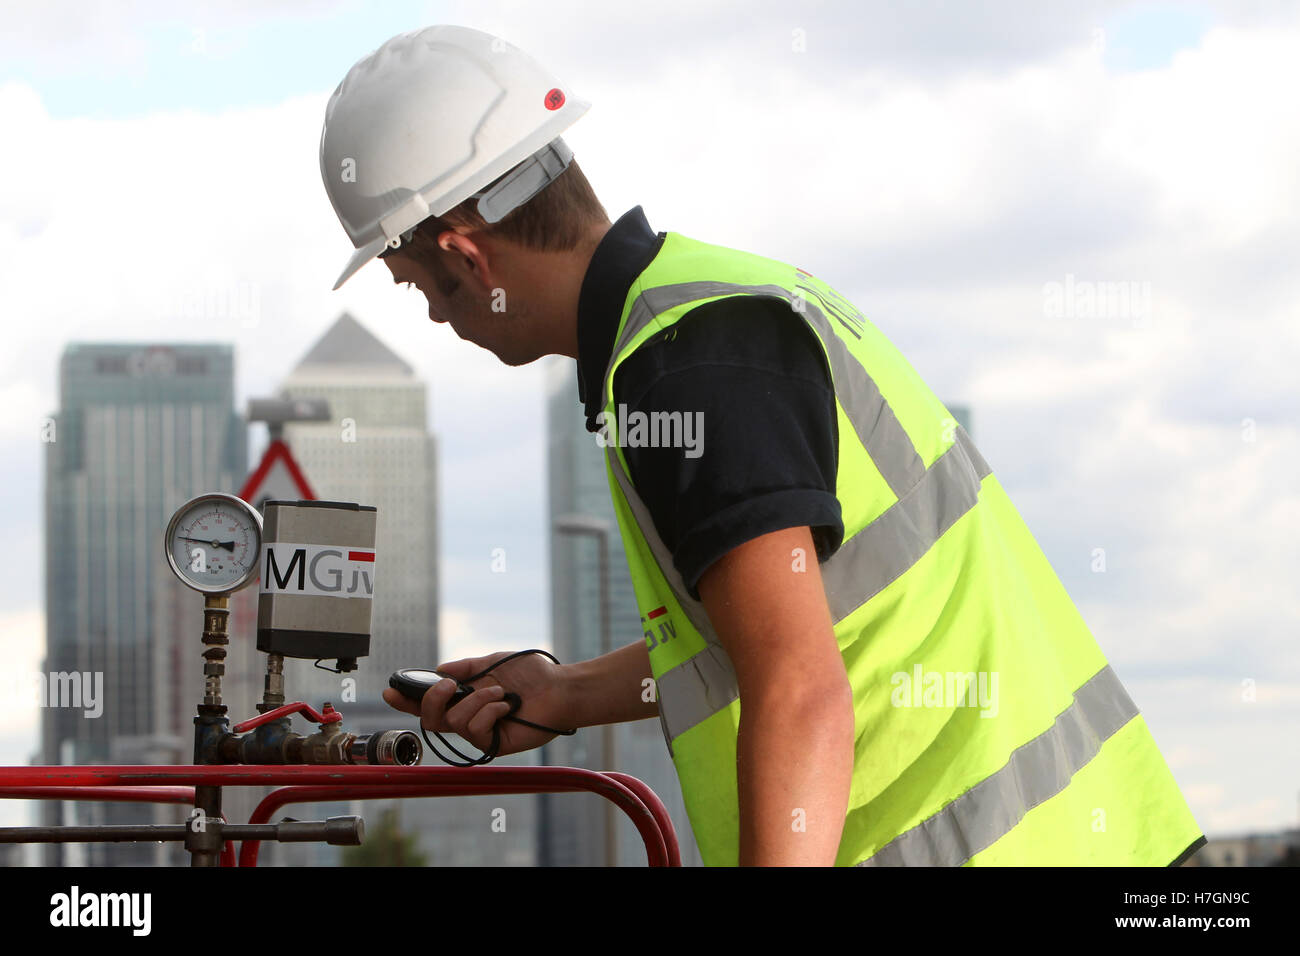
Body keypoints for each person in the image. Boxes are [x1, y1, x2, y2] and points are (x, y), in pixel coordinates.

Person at [320, 25, 1206, 866]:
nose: (438, 315)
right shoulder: (720, 305)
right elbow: (802, 628)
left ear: (467, 256)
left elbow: (798, 688)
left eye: (418, 287)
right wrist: (570, 695)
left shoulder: (685, 364)